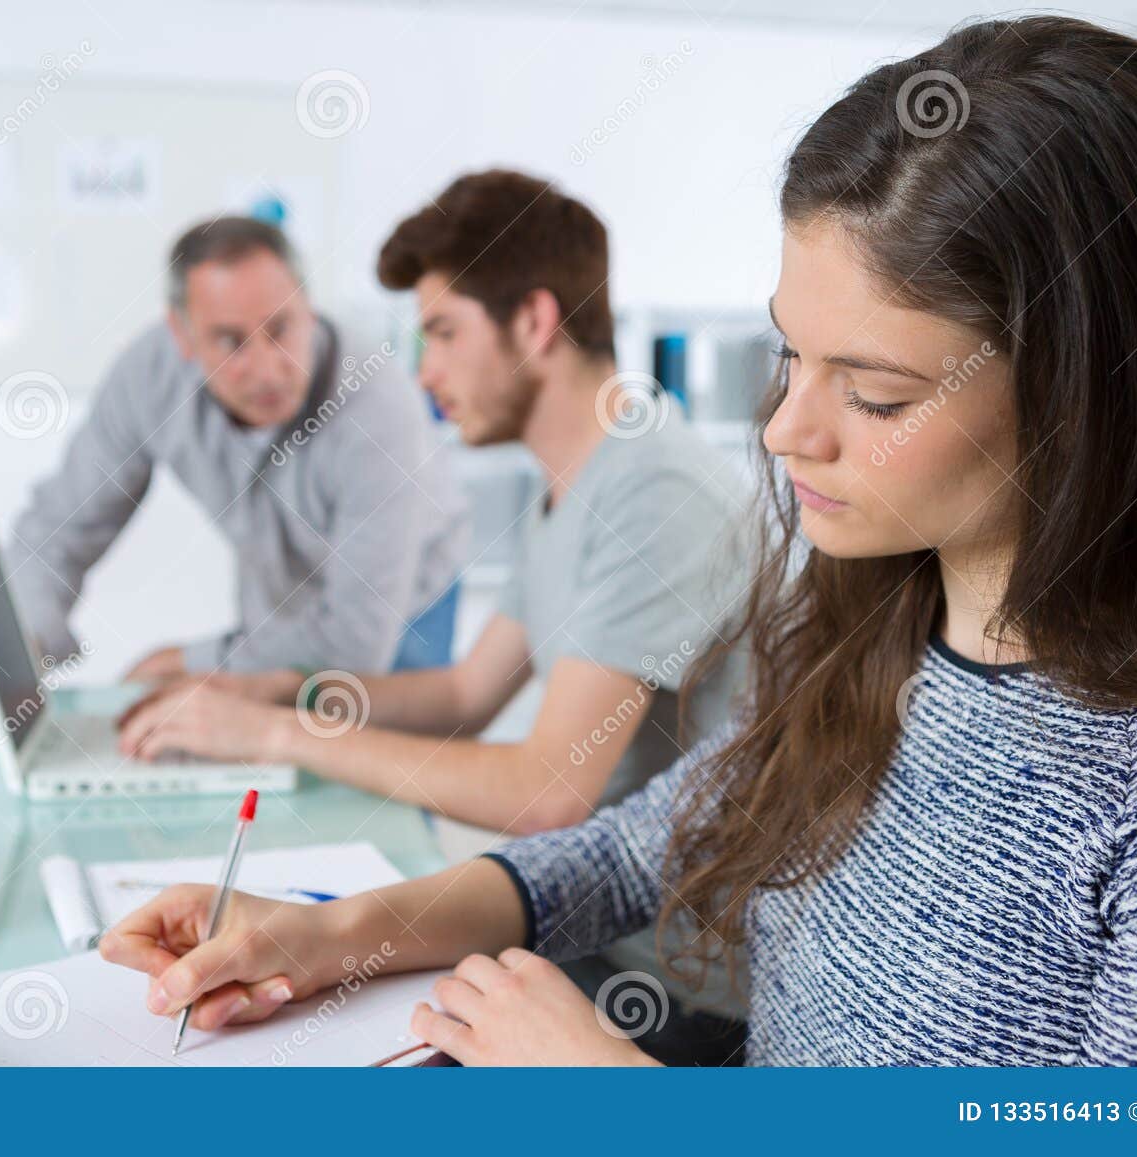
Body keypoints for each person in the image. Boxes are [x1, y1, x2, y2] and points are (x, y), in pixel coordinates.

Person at [103, 16, 1137, 1066]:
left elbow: (552, 794)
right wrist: (336, 932)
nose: (782, 431)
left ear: (1093, 395)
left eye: (872, 394)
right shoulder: (880, 623)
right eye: (786, 356)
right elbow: (633, 845)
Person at [113, 171, 748, 1063]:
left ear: (533, 323)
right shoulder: (576, 481)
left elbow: (545, 791)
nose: (423, 371)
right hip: (584, 935)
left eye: (444, 333)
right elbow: (463, 692)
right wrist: (276, 687)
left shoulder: (655, 489)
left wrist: (279, 731)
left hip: (669, 994)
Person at [3, 216, 468, 680]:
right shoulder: (149, 378)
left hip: (402, 605)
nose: (266, 369)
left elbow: (356, 643)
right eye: (231, 341)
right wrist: (24, 641)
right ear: (182, 335)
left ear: (308, 308)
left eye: (281, 329)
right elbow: (60, 528)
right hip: (280, 600)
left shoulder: (379, 408)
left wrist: (187, 663)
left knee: (382, 744)